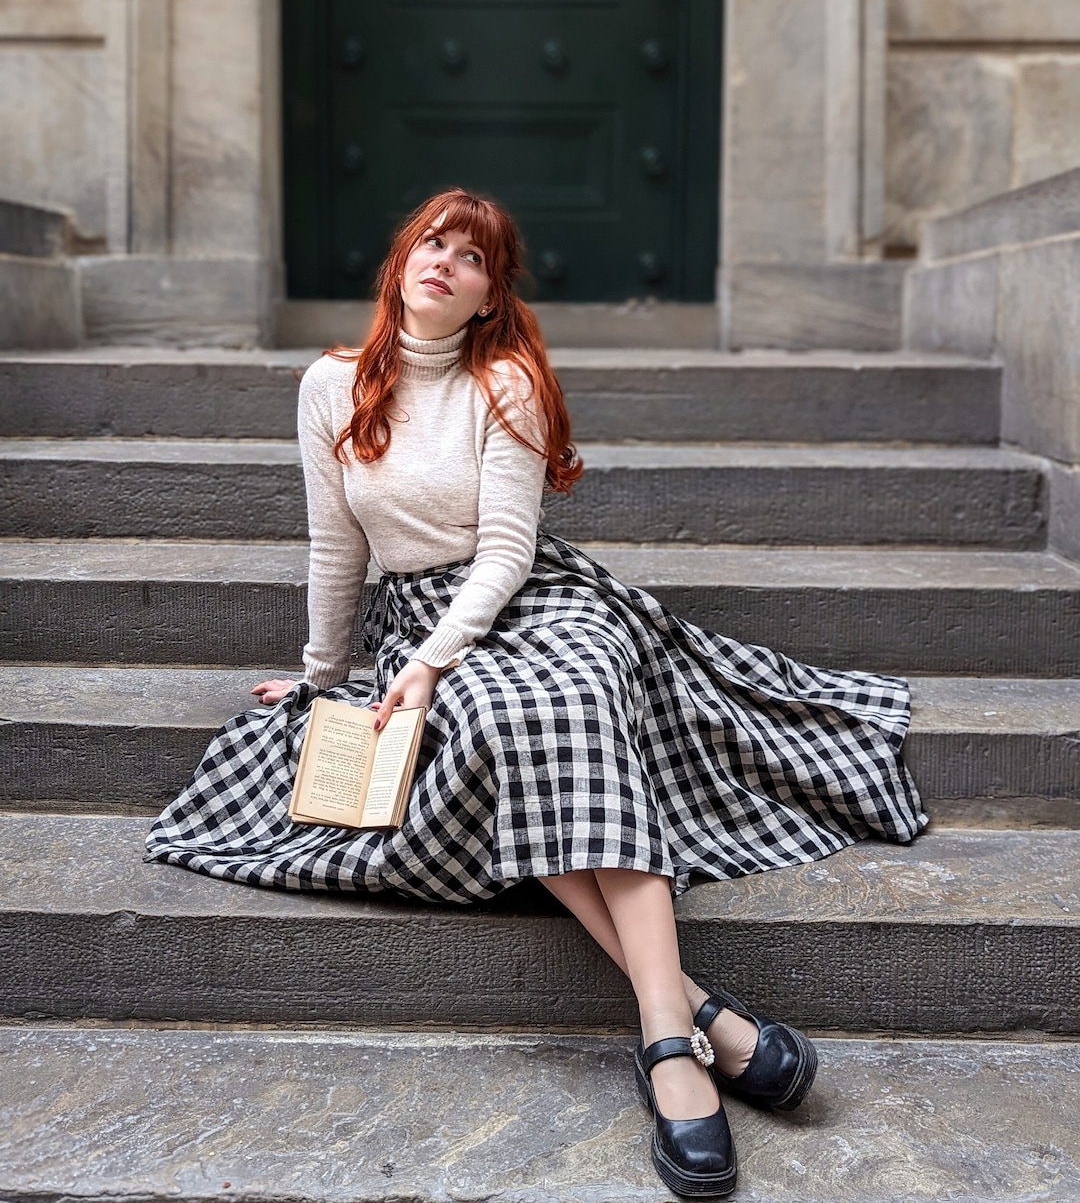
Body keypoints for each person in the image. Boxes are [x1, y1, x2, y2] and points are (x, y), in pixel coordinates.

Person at [146, 187, 926, 1198]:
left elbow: (509, 551)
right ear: (399, 264)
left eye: (470, 258)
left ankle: (663, 1043)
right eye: (431, 241)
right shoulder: (329, 386)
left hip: (539, 603)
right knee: (492, 725)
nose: (444, 261)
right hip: (415, 620)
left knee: (556, 703)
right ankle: (701, 1015)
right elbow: (335, 546)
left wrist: (433, 661)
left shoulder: (503, 381)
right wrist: (323, 678)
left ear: (485, 298)